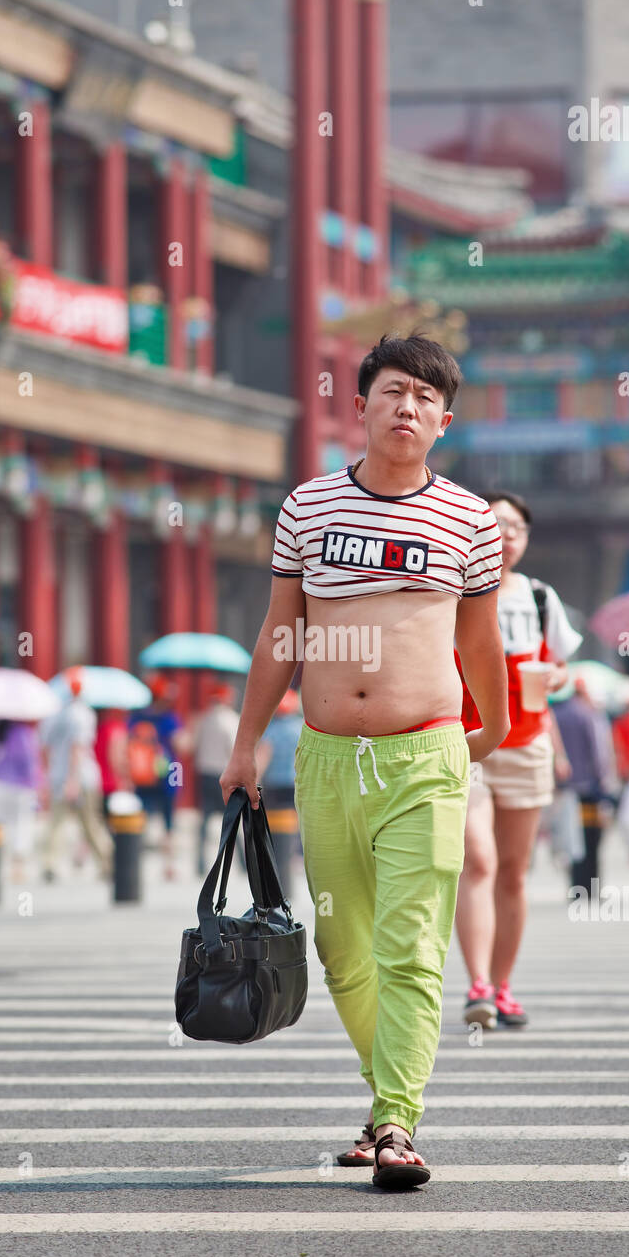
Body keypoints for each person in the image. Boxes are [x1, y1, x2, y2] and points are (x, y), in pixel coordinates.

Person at [220, 333, 508, 1188]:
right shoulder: (308, 507)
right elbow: (282, 633)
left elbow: (480, 638)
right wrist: (246, 743)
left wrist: (486, 725)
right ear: (361, 405)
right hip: (325, 760)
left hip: (425, 755)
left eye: (425, 398)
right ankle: (384, 1096)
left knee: (412, 944)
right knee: (346, 949)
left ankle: (395, 1122)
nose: (407, 408)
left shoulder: (471, 520)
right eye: (393, 392)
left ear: (444, 421)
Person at [453, 493, 582, 1029]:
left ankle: (504, 986)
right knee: (478, 860)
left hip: (527, 744)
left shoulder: (540, 597)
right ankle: (478, 984)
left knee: (513, 872)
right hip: (469, 743)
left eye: (517, 527)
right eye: (497, 523)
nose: (507, 534)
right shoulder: (455, 590)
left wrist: (556, 679)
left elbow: (563, 671)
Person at [39, 669, 113, 882]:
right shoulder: (83, 714)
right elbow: (77, 748)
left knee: (57, 823)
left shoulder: (54, 714)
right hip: (82, 777)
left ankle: (50, 864)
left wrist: (49, 776)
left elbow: (45, 748)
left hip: (61, 776)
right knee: (90, 823)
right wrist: (72, 780)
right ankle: (108, 862)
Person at [550, 679, 620, 896]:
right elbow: (599, 752)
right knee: (592, 840)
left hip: (565, 786)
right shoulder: (587, 715)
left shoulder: (555, 715)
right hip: (589, 788)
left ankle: (577, 887)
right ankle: (592, 887)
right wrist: (605, 780)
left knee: (572, 840)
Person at [127, 675, 189, 880]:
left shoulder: (136, 717)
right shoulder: (170, 719)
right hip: (169, 774)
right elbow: (182, 746)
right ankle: (169, 866)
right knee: (169, 822)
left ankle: (133, 862)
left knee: (139, 820)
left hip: (142, 775)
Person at [0, 719, 43, 884]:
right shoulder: (22, 733)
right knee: (20, 825)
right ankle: (17, 867)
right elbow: (29, 762)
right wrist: (37, 786)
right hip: (19, 788)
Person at [255, 688, 305, 884]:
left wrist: (255, 782)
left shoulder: (271, 730)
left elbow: (262, 757)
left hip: (275, 787)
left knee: (277, 829)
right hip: (297, 784)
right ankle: (296, 855)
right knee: (297, 824)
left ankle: (282, 860)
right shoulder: (300, 727)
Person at [193, 682, 241, 876]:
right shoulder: (231, 720)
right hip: (225, 774)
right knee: (233, 821)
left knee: (204, 822)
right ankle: (242, 864)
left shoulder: (205, 720)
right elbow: (234, 750)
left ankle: (200, 863)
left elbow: (195, 747)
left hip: (205, 774)